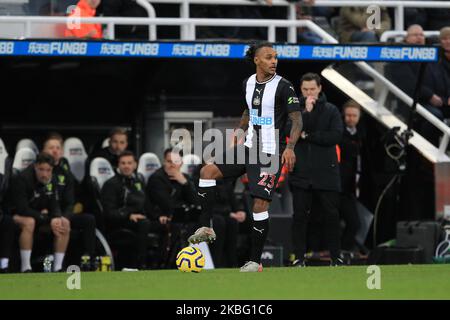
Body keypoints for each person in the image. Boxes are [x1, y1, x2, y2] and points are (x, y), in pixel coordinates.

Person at [188, 42, 302, 272]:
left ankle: (255, 262)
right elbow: (248, 110)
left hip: (271, 152)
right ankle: (206, 227)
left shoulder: (284, 86)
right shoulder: (248, 83)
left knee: (260, 205)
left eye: (276, 57)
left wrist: (290, 147)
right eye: (269, 57)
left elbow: (297, 120)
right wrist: (239, 132)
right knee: (206, 171)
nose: (274, 61)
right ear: (257, 60)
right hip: (249, 147)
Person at [289, 72, 343, 267]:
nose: (309, 93)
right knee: (300, 217)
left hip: (326, 173)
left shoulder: (331, 110)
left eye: (312, 89)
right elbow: (290, 131)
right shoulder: (294, 111)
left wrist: (308, 135)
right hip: (301, 172)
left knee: (332, 215)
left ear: (320, 89)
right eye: (305, 89)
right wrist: (306, 114)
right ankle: (299, 258)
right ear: (300, 90)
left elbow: (335, 136)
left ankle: (335, 257)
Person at [42, 133, 97, 270]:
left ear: (61, 151)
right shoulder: (38, 170)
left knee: (89, 219)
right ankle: (46, 264)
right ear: (43, 151)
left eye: (58, 148)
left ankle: (88, 260)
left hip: (63, 213)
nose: (55, 151)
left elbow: (71, 199)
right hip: (44, 213)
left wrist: (65, 216)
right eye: (51, 148)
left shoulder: (65, 172)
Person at [11, 153, 71, 272]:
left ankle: (58, 267)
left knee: (63, 222)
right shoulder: (22, 179)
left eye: (48, 170)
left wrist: (56, 217)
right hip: (13, 214)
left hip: (39, 215)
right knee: (29, 222)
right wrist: (47, 219)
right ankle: (26, 268)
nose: (45, 174)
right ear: (35, 166)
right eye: (41, 170)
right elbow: (22, 209)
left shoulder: (51, 179)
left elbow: (54, 202)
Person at [101, 150, 152, 269]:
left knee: (163, 224)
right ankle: (141, 264)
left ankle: (163, 263)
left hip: (140, 218)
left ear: (135, 165)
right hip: (118, 223)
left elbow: (147, 205)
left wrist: (160, 216)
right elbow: (109, 213)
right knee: (144, 224)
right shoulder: (111, 184)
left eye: (129, 163)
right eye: (123, 163)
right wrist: (128, 215)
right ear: (118, 165)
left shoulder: (138, 182)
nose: (126, 166)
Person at [384, 24, 426, 121]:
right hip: (410, 101)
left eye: (421, 35)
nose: (419, 37)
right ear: (407, 38)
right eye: (415, 35)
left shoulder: (431, 55)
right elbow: (409, 85)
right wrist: (431, 96)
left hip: (433, 99)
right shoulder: (399, 56)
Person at [338, 100, 364, 252]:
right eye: (348, 115)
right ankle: (342, 252)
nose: (351, 118)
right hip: (340, 186)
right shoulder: (339, 133)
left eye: (354, 115)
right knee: (351, 222)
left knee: (354, 223)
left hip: (352, 186)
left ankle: (345, 251)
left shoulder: (361, 134)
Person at [420, 26, 450, 146]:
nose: (448, 41)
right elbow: (424, 85)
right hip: (434, 101)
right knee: (434, 116)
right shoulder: (431, 59)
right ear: (439, 41)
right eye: (444, 38)